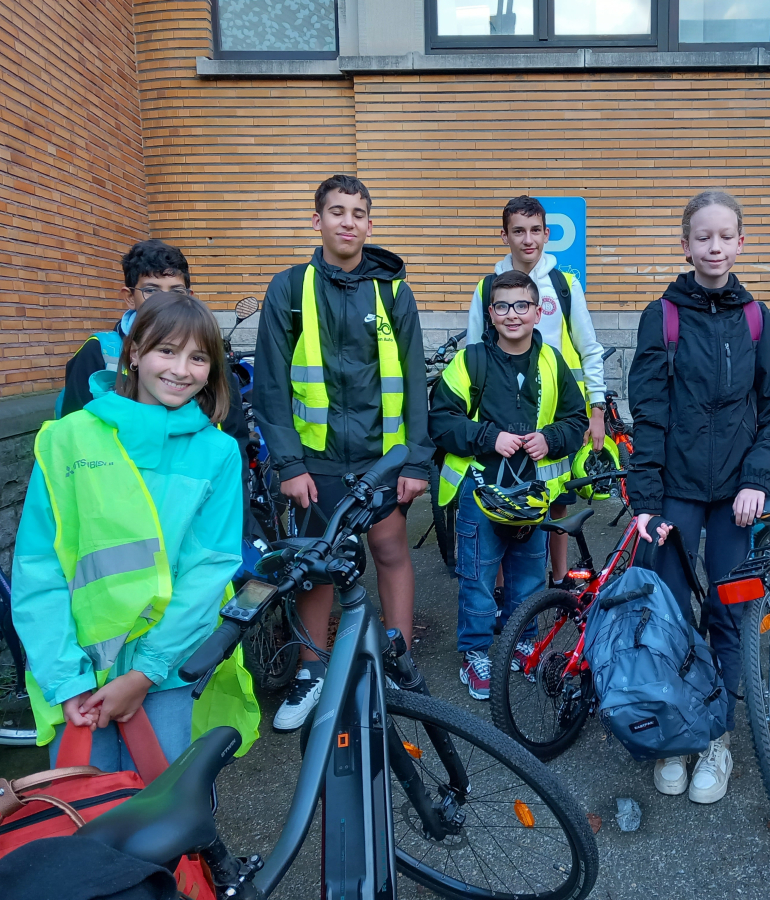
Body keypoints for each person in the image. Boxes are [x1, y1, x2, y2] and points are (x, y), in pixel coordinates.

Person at [12, 292, 260, 769]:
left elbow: (209, 569)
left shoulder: (218, 453)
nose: (181, 369)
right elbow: (38, 566)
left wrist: (145, 672)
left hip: (165, 673)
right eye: (166, 350)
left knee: (162, 816)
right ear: (134, 352)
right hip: (76, 673)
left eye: (199, 357)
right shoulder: (67, 440)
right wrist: (67, 680)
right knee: (87, 821)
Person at [627, 190, 770, 804]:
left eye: (726, 236)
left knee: (726, 612)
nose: (715, 246)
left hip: (735, 498)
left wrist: (757, 481)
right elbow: (647, 417)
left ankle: (716, 738)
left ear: (740, 243)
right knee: (666, 617)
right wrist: (645, 502)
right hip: (673, 494)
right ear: (686, 244)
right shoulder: (662, 317)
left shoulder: (756, 318)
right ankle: (675, 732)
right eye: (703, 236)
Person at [255, 174, 433, 731]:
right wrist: (288, 464)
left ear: (370, 223)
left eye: (358, 213)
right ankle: (313, 672)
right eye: (337, 212)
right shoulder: (288, 289)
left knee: (388, 550)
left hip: (383, 458)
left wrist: (417, 460)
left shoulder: (394, 292)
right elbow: (271, 385)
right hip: (317, 460)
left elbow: (413, 378)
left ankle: (397, 659)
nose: (348, 222)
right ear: (318, 221)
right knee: (318, 568)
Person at [431, 270, 588, 701]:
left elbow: (576, 421)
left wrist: (551, 439)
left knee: (528, 578)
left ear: (539, 312)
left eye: (522, 305)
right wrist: (487, 437)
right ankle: (476, 652)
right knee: (478, 576)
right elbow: (441, 421)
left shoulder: (554, 362)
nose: (512, 314)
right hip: (480, 492)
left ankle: (524, 641)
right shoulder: (470, 361)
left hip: (532, 495)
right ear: (490, 314)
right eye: (502, 306)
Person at [466, 196, 606, 588]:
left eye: (535, 231)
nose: (528, 240)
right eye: (518, 231)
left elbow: (589, 347)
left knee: (557, 492)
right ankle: (497, 585)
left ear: (547, 234)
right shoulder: (487, 288)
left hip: (556, 412)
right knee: (498, 491)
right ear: (505, 235)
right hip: (501, 411)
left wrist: (596, 410)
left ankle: (559, 575)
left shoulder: (564, 285)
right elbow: (471, 355)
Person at [58, 240, 249, 467]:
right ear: (129, 297)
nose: (165, 300)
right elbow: (72, 438)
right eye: (151, 290)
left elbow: (233, 433)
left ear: (190, 295)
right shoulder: (99, 351)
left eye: (176, 291)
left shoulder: (207, 353)